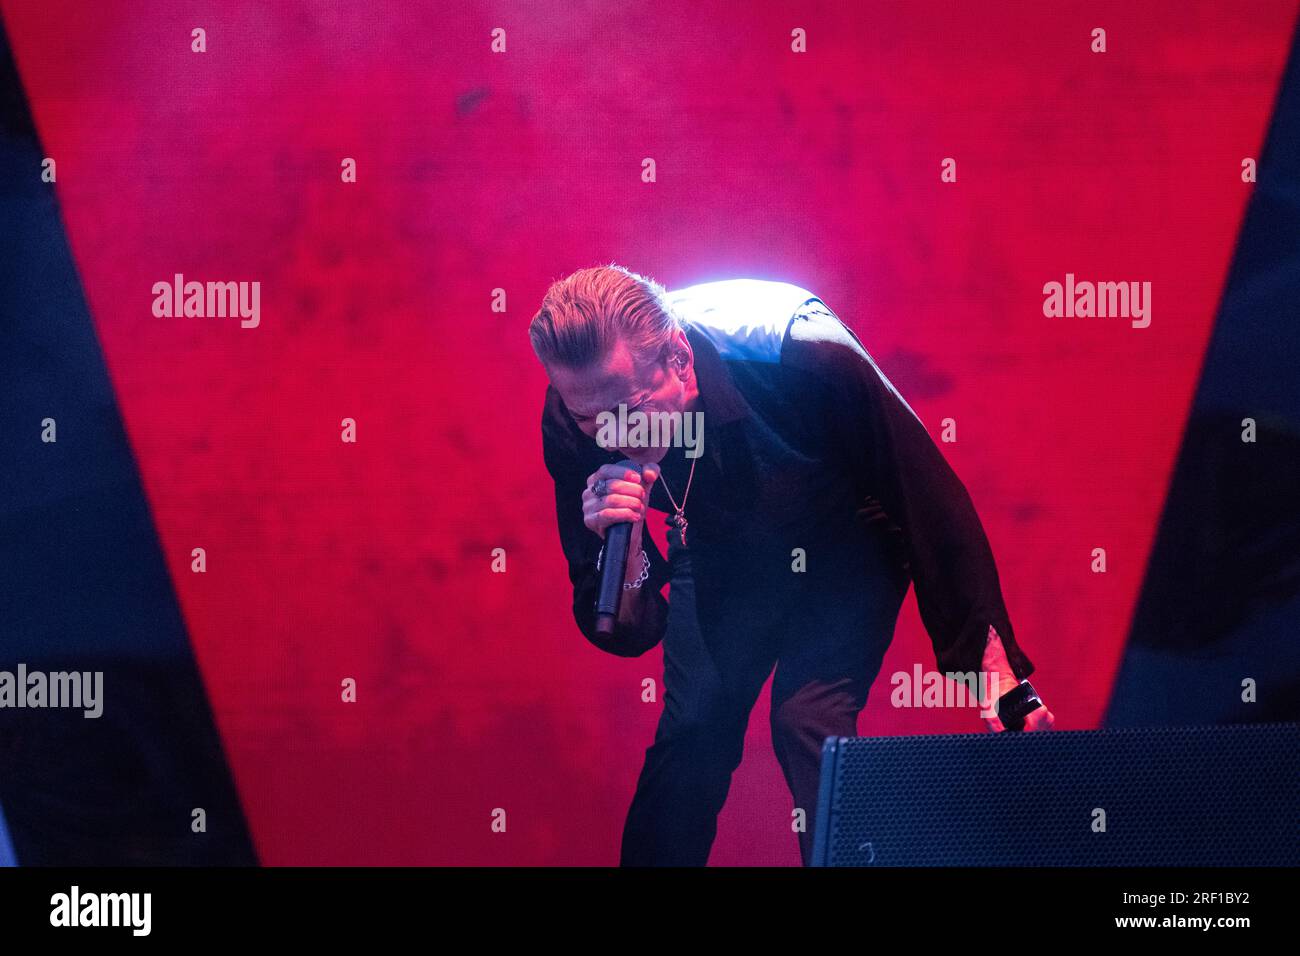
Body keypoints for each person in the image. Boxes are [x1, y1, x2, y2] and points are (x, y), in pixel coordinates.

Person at [529, 263, 1054, 866]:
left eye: (630, 408)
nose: (612, 434)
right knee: (695, 728)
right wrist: (617, 554)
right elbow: (625, 631)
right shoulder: (577, 414)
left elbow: (925, 494)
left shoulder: (798, 351)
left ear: (679, 358)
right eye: (591, 418)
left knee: (807, 721)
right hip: (717, 546)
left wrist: (990, 670)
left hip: (846, 536)